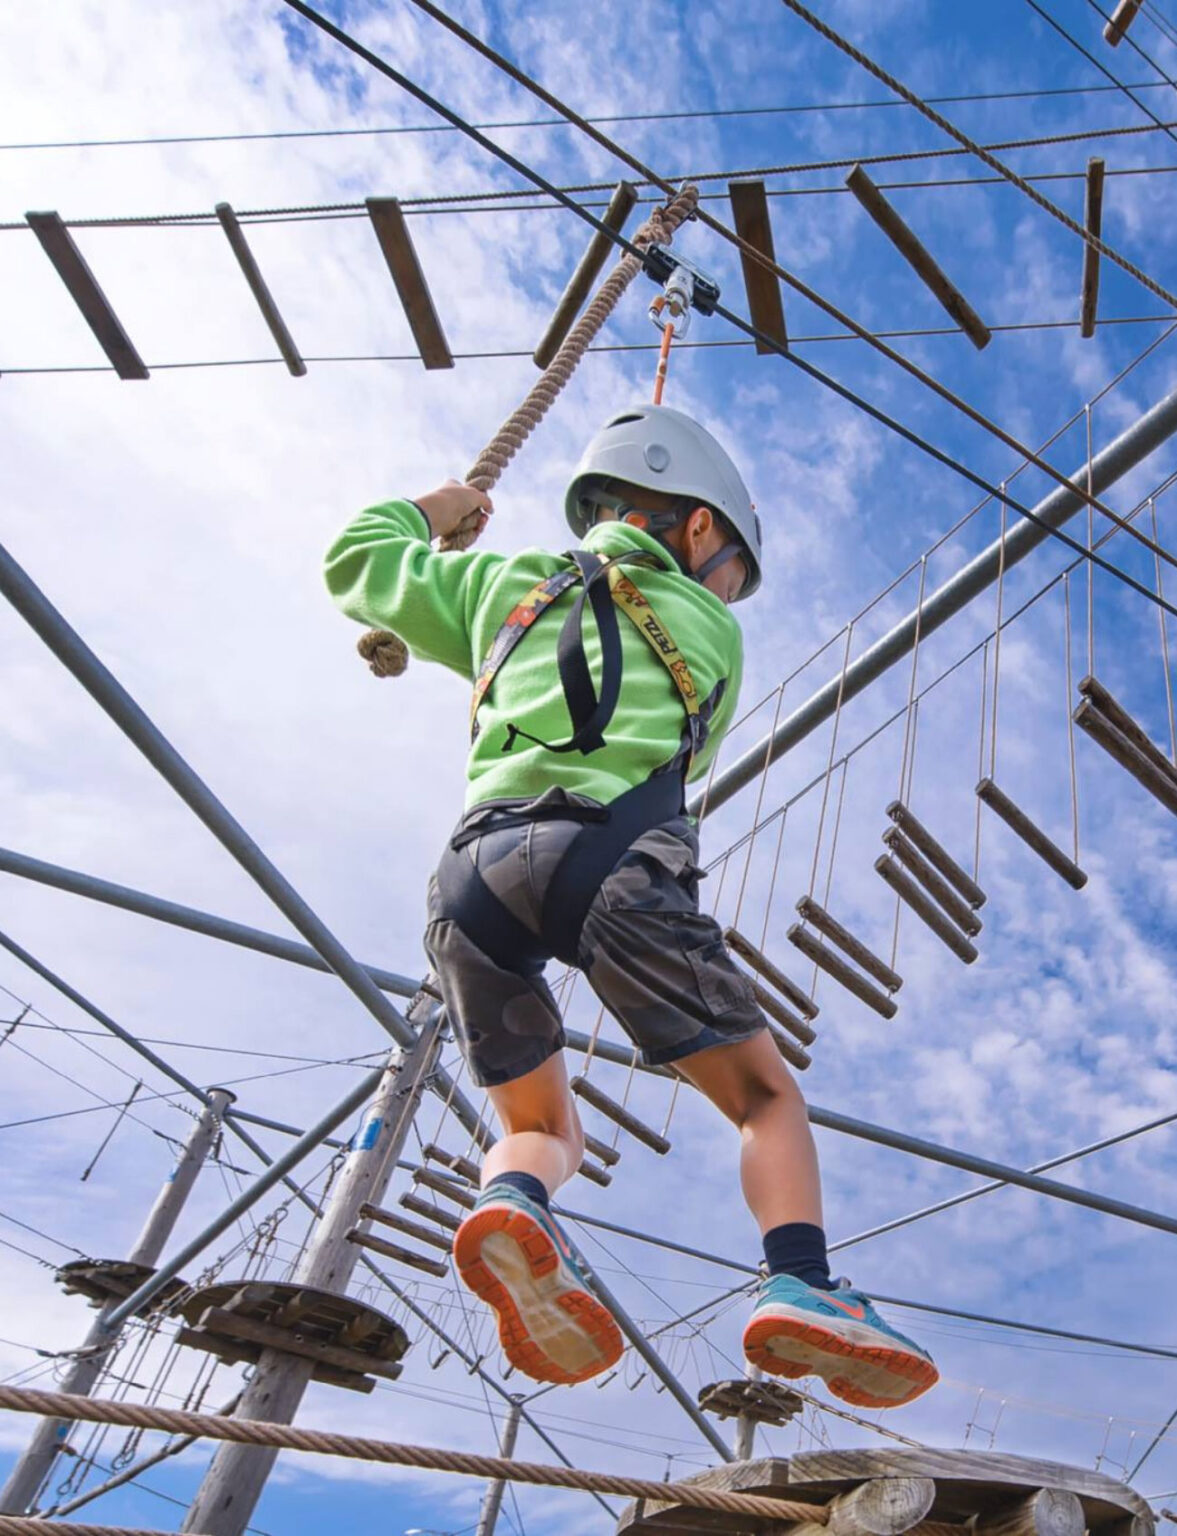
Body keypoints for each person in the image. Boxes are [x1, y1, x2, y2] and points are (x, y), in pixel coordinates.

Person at [324, 404, 938, 1410]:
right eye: (732, 561)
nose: (730, 586)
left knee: (537, 1122)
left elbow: (354, 558)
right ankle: (801, 1281)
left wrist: (444, 507)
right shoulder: (711, 632)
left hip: (469, 882)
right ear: (698, 528)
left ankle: (512, 1203)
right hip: (608, 867)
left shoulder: (494, 585)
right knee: (763, 1098)